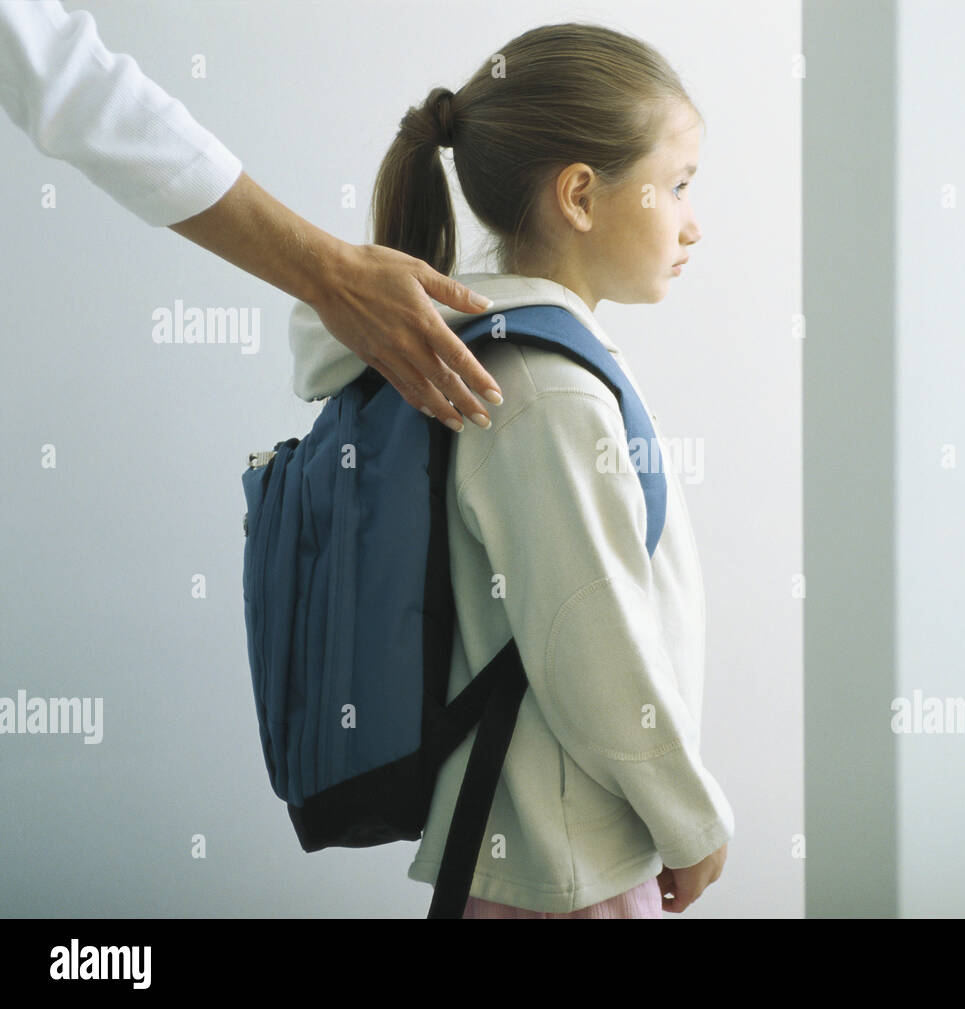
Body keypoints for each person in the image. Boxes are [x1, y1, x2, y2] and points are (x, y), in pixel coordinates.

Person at [289, 22, 732, 917]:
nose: (694, 220)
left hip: (542, 844)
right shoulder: (540, 389)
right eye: (677, 186)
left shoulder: (523, 357)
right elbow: (589, 634)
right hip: (565, 865)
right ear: (580, 194)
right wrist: (693, 820)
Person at [0, 0, 502, 430]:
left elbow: (66, 78)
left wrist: (330, 276)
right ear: (576, 194)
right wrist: (330, 275)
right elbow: (69, 82)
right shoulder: (542, 385)